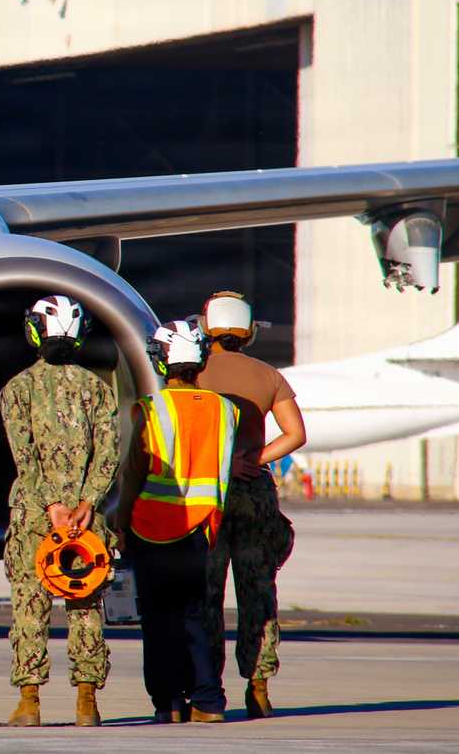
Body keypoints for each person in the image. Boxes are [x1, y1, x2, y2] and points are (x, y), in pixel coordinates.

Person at [0, 295, 118, 728]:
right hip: (87, 519)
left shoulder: (17, 390)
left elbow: (24, 456)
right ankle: (87, 703)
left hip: (35, 515)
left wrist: (51, 505)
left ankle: (29, 702)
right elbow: (108, 454)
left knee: (30, 605)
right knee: (85, 605)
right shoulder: (97, 390)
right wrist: (87, 502)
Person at [114, 320, 238, 723]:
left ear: (162, 361)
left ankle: (167, 703)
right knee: (198, 617)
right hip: (204, 529)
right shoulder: (225, 408)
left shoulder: (153, 409)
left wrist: (121, 521)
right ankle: (209, 702)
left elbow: (135, 471)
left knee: (158, 621)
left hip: (153, 528)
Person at [195, 291, 305, 718]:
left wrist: (222, 463)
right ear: (249, 330)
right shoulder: (268, 375)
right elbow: (295, 434)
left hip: (210, 494)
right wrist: (252, 459)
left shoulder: (193, 372)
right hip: (255, 491)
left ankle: (207, 687)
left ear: (207, 328)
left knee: (207, 593)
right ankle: (258, 687)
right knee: (258, 592)